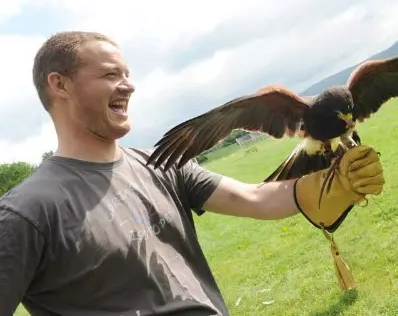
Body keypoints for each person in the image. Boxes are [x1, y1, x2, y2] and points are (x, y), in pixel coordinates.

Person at [0, 31, 385, 316]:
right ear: (59, 84)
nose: (129, 85)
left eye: (128, 73)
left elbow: (253, 198)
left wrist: (339, 185)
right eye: (109, 75)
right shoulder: (26, 213)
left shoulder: (159, 166)